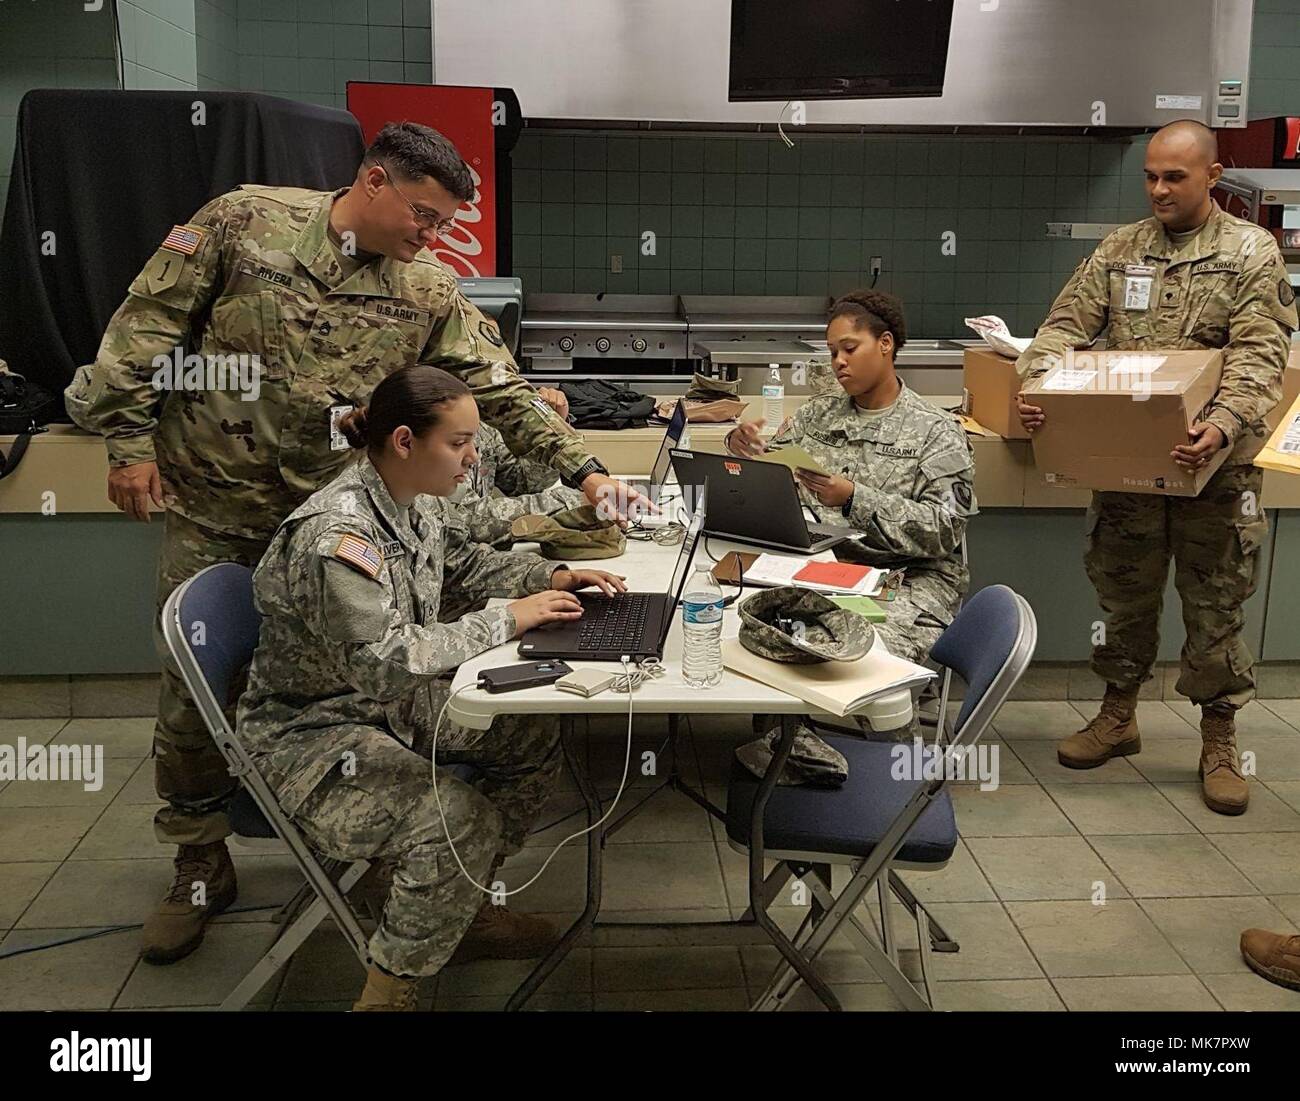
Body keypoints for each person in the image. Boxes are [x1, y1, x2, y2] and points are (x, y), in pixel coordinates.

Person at [64, 120, 649, 965]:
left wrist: (588, 473)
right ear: (372, 181)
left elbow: (502, 390)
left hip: (345, 517)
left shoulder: (426, 289)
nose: (432, 235)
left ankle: (423, 867)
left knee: (365, 676)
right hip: (221, 503)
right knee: (195, 693)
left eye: (445, 222)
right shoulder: (241, 223)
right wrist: (125, 445)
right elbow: (142, 335)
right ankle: (198, 864)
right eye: (423, 214)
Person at [237, 365, 626, 1010]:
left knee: (528, 736)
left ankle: (457, 901)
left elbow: (463, 564)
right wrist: (508, 617)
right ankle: (389, 992)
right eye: (460, 443)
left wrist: (550, 576)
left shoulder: (406, 500)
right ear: (403, 441)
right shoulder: (338, 536)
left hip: (380, 709)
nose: (473, 460)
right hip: (311, 733)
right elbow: (385, 661)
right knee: (456, 819)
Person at [1015, 120, 1298, 815]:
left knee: (1215, 602)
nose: (1159, 189)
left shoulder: (1249, 251)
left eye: (1174, 176)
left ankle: (1220, 738)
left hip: (1216, 468)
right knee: (1124, 593)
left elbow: (1262, 353)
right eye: (1150, 176)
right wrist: (1039, 383)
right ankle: (1119, 714)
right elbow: (1062, 326)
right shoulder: (1121, 249)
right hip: (1129, 467)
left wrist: (1223, 422)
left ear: (1213, 173)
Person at [723, 290, 977, 718]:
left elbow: (945, 528)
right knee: (758, 629)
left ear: (886, 344)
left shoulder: (937, 431)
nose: (838, 362)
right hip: (826, 566)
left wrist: (853, 498)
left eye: (849, 348)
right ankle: (791, 743)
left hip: (907, 579)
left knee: (850, 661)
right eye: (832, 352)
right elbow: (774, 466)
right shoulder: (818, 415)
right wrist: (741, 446)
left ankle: (863, 753)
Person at [450, 386, 586, 547]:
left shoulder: (482, 429)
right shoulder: (431, 434)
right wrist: (576, 502)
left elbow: (524, 482)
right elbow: (469, 518)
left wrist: (553, 430)